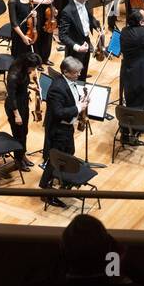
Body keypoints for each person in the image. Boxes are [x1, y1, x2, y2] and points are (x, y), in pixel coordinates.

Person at [39, 57, 88, 208]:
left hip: (66, 128)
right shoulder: (57, 88)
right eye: (76, 73)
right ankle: (46, 191)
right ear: (66, 72)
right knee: (55, 161)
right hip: (58, 129)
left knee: (68, 152)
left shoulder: (68, 81)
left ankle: (62, 180)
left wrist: (80, 100)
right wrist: (78, 108)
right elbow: (59, 112)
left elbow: (71, 98)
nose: (79, 75)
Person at [4, 51, 41, 171]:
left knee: (24, 131)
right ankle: (18, 160)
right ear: (27, 64)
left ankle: (22, 154)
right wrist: (17, 115)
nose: (34, 69)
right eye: (33, 67)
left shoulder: (24, 69)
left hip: (23, 101)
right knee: (18, 134)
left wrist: (31, 87)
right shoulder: (13, 75)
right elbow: (11, 96)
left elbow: (22, 85)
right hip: (14, 106)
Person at [58, 0, 101, 64]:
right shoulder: (67, 12)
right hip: (75, 47)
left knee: (84, 70)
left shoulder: (86, 2)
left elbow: (90, 17)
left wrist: (97, 27)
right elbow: (62, 36)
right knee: (74, 74)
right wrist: (77, 48)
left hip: (86, 41)